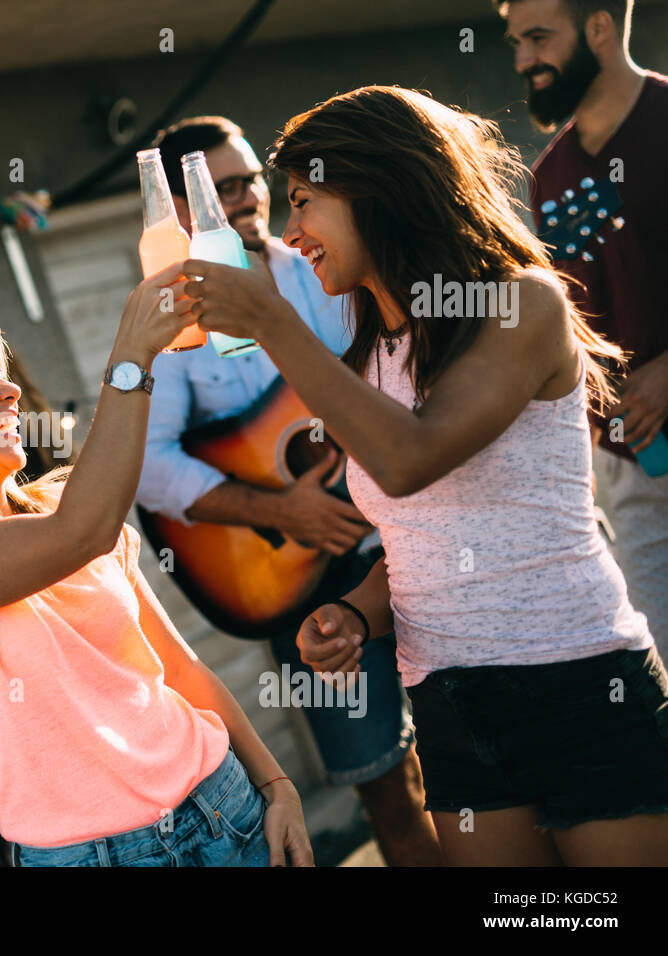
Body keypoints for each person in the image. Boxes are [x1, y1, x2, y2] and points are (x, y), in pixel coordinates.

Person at [181, 86, 668, 865]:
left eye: (305, 201)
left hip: (577, 680)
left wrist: (271, 321)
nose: (290, 230)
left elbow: (411, 458)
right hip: (447, 703)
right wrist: (354, 613)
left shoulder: (520, 304)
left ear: (381, 189)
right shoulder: (369, 356)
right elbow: (416, 540)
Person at [0, 275, 313, 866]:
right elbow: (81, 533)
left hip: (221, 806)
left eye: (2, 373)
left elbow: (181, 669)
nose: (10, 392)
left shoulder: (63, 502)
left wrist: (276, 786)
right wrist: (131, 355)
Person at [137, 116, 442, 865]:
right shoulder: (173, 318)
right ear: (179, 207)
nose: (251, 198)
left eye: (252, 182)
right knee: (387, 788)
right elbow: (144, 463)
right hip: (288, 581)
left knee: (471, 750)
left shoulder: (323, 269)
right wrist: (280, 509)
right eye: (227, 185)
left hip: (406, 543)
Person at [499, 0, 668, 652]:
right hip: (630, 468)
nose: (523, 61)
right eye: (516, 41)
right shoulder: (548, 177)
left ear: (600, 26)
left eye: (539, 38)